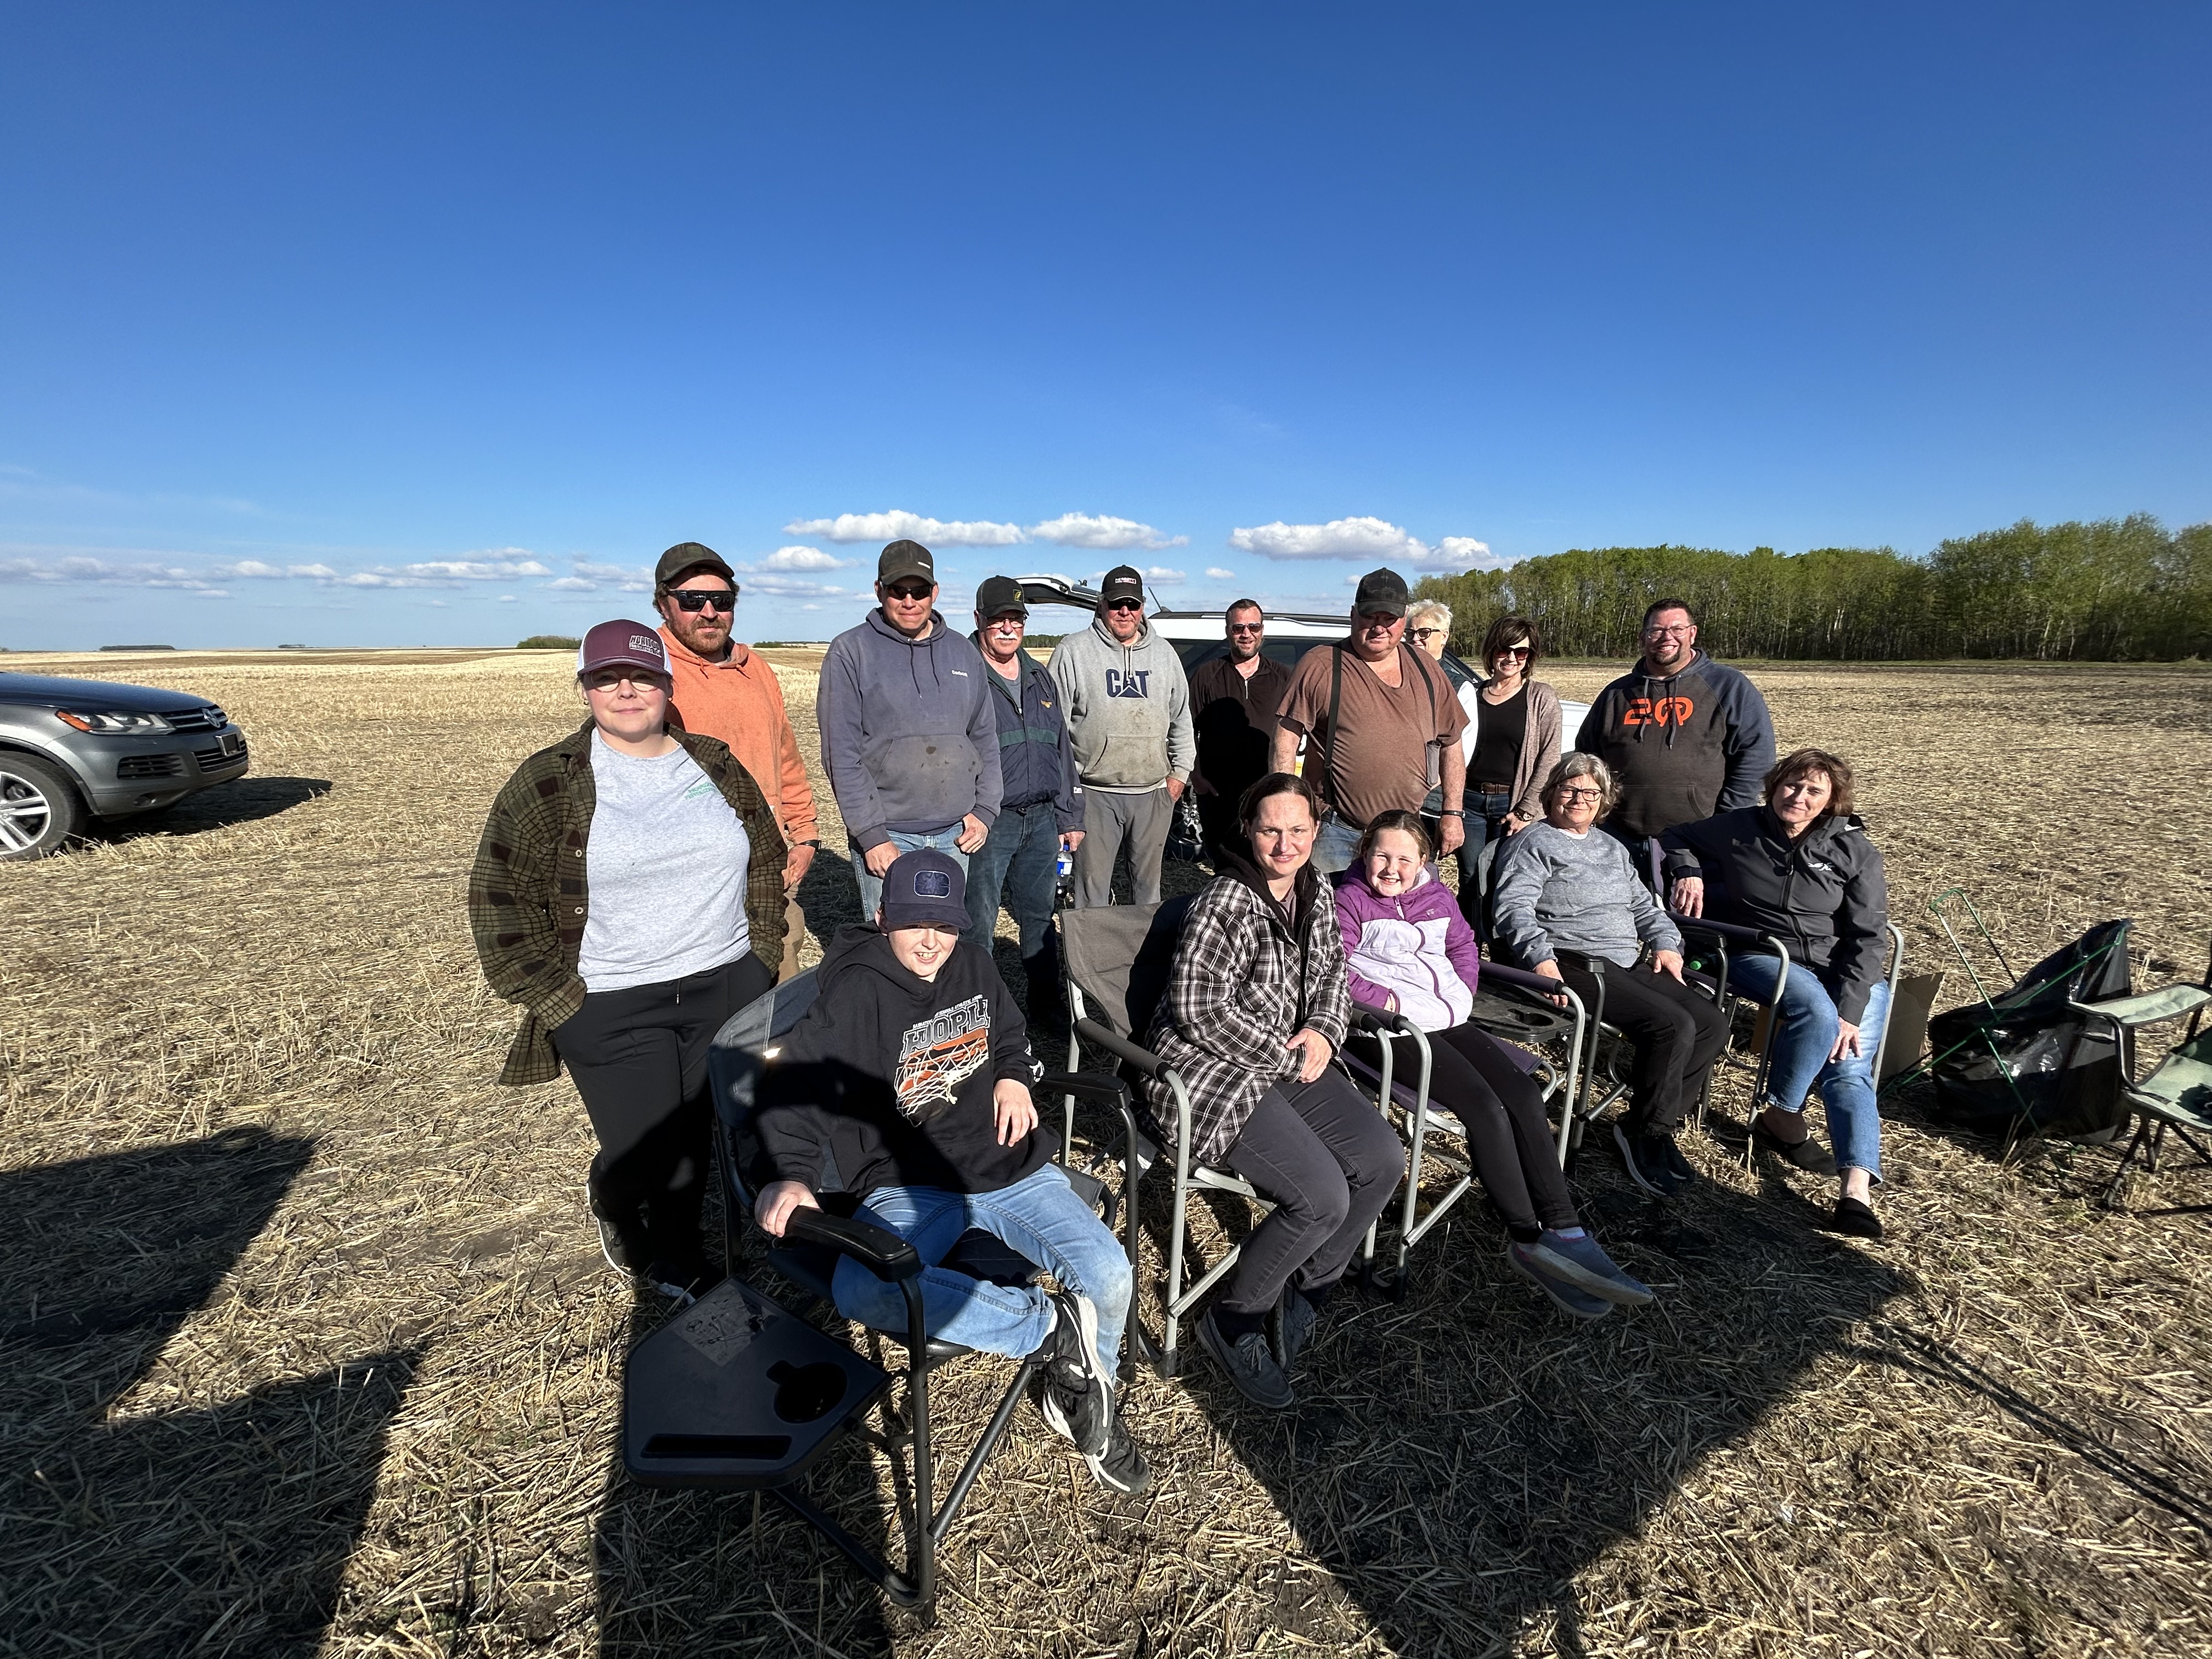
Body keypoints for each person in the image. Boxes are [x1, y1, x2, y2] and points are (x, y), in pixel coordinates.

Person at [749, 850, 1149, 1494]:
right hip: (908, 1181)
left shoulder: (973, 962)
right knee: (866, 1290)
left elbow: (1009, 1034)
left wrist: (1015, 1078)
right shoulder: (855, 989)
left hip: (1002, 1161)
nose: (931, 941)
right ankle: (1052, 1336)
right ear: (883, 918)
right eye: (914, 924)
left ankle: (1079, 1397)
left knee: (1109, 1274)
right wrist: (792, 1173)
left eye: (944, 925)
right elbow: (795, 1085)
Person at [468, 620, 787, 1299]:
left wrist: (759, 955)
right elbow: (498, 901)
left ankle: (677, 1252)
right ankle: (614, 1201)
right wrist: (563, 1004)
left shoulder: (714, 763)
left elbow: (765, 857)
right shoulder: (548, 782)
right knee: (642, 1152)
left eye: (642, 676)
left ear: (666, 686)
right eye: (606, 677)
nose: (626, 689)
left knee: (697, 1135)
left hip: (723, 984)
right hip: (610, 1002)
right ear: (584, 688)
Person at [1141, 771, 1407, 1409]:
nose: (1285, 844)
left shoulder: (1314, 890)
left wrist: (1322, 1030)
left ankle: (1308, 1286)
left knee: (1382, 1163)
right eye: (1270, 830)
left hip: (1292, 1058)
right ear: (1249, 832)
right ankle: (1230, 1325)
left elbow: (1332, 981)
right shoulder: (1225, 901)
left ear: (1316, 832)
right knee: (1320, 1198)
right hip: (1214, 1072)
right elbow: (1195, 1009)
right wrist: (1287, 1057)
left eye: (1297, 830)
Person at [1333, 810, 1652, 1318]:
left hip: (1447, 1015)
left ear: (1425, 862)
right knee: (1484, 1107)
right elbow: (1338, 972)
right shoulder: (1347, 900)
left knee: (1525, 1095)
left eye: (1404, 858)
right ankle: (1527, 1239)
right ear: (1363, 854)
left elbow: (1463, 944)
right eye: (1381, 856)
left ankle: (1566, 1230)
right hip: (1386, 1028)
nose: (1391, 868)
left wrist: (1460, 990)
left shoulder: (1435, 897)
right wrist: (1396, 1006)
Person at [1663, 748, 1893, 1238]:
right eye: (1792, 785)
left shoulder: (1854, 849)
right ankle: (1784, 1116)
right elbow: (1675, 835)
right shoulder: (1739, 827)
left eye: (1815, 791)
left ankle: (1856, 1191)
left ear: (1832, 800)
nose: (1800, 797)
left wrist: (1851, 1009)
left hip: (1843, 970)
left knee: (1849, 1068)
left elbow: (1870, 938)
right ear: (1774, 784)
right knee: (1813, 1008)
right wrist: (1689, 870)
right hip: (1761, 954)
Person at [1491, 753, 1728, 1199]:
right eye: (1568, 789)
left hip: (1627, 960)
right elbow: (1513, 909)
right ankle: (1647, 1134)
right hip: (1572, 961)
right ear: (1550, 794)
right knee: (1670, 1025)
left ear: (1603, 801)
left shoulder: (1611, 847)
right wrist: (1540, 959)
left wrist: (1666, 943)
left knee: (1712, 1024)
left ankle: (1651, 1123)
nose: (1578, 799)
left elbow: (1643, 906)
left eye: (1590, 793)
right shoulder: (1534, 843)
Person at [652, 541, 821, 981]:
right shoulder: (648, 674)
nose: (709, 611)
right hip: (688, 878)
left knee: (780, 979)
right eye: (692, 600)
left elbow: (785, 755)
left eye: (722, 600)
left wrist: (804, 835)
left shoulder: (757, 669)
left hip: (767, 865)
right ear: (663, 604)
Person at [817, 539, 1002, 921]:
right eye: (897, 591)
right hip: (890, 836)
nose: (909, 601)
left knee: (943, 938)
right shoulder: (851, 652)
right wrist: (872, 836)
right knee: (891, 943)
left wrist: (985, 810)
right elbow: (842, 754)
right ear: (879, 590)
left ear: (934, 592)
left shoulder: (963, 653)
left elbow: (984, 737)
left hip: (956, 835)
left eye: (919, 591)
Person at [1272, 568, 1469, 877]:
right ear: (1353, 614)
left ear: (1403, 619)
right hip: (1337, 832)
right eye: (1370, 616)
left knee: (1403, 922)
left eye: (1388, 618)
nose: (1379, 627)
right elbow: (1286, 737)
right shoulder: (1322, 664)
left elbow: (1451, 743)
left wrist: (1452, 813)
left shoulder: (1427, 669)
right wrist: (1286, 809)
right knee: (1333, 920)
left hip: (1407, 834)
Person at [1575, 597, 1775, 870]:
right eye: (1656, 630)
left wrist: (1728, 819)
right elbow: (1588, 756)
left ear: (1692, 633)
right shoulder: (1616, 693)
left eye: (1677, 629)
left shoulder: (1728, 686)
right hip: (1619, 837)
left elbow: (1756, 756)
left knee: (1687, 911)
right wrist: (1597, 814)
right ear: (1642, 638)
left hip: (1698, 839)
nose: (1666, 637)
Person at [966, 575, 1085, 1025]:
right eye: (999, 620)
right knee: (978, 923)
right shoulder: (965, 675)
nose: (1008, 628)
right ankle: (977, 1016)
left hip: (1040, 820)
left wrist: (1069, 814)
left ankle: (1047, 1005)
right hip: (988, 822)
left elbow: (1062, 753)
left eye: (1016, 619)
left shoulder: (1040, 677)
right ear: (980, 620)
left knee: (1039, 917)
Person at [1046, 564, 1193, 906]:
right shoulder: (1073, 651)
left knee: (1148, 894)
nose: (1124, 612)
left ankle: (1141, 959)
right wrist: (1068, 793)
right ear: (1101, 604)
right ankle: (1094, 960)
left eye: (1132, 604)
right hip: (1095, 795)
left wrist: (1178, 777)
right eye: (1116, 604)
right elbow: (1053, 728)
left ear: (1142, 607)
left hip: (1154, 795)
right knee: (1090, 893)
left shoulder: (1165, 655)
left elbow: (1182, 723)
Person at [1187, 599, 1291, 864]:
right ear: (1227, 631)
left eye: (1253, 627)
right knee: (1224, 860)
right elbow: (1187, 729)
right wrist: (1196, 776)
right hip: (1217, 794)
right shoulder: (1206, 675)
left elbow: (1296, 732)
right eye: (1238, 628)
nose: (1246, 634)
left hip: (1267, 792)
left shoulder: (1283, 676)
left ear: (1262, 630)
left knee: (1266, 861)